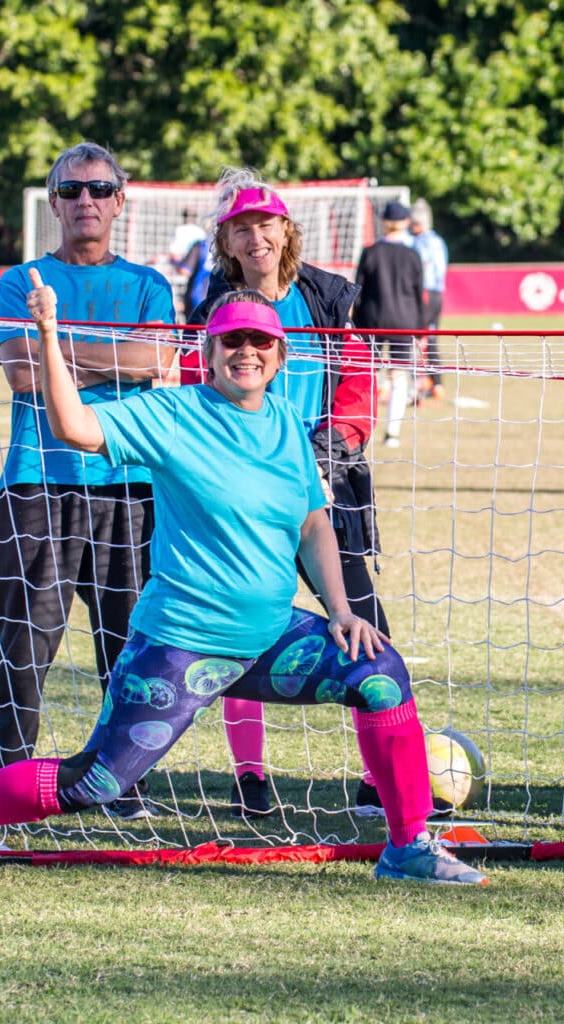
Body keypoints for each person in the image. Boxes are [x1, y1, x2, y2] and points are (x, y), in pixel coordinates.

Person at [0, 283, 487, 887]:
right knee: (96, 782)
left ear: (279, 354)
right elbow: (76, 428)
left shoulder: (282, 420)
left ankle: (407, 846)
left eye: (259, 341)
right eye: (232, 340)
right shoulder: (173, 413)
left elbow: (312, 523)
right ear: (209, 347)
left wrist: (343, 610)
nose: (245, 351)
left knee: (380, 674)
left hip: (271, 638)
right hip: (180, 647)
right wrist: (46, 336)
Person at [188, 168, 391, 816]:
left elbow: (358, 382)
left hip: (325, 489)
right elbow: (200, 395)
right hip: (245, 497)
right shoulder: (212, 313)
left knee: (362, 622)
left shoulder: (328, 298)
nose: (256, 239)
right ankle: (251, 777)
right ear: (227, 242)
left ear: (286, 230)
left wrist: (336, 443)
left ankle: (377, 774)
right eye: (241, 229)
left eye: (265, 225)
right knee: (243, 629)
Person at [0, 142, 176, 820]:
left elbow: (156, 358)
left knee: (130, 646)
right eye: (71, 191)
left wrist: (58, 348)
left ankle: (121, 786)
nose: (85, 201)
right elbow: (20, 371)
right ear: (54, 202)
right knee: (24, 644)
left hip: (127, 487)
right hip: (38, 484)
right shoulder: (23, 279)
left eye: (98, 189)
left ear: (119, 201)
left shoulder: (149, 284)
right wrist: (113, 361)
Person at [356, 200, 426, 448]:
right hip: (404, 322)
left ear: (384, 222)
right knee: (398, 376)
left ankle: (364, 427)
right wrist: (421, 328)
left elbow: (359, 292)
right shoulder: (412, 255)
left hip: (372, 320)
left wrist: (356, 324)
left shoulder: (371, 252)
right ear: (406, 222)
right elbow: (419, 295)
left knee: (368, 376)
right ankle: (392, 432)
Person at [408, 198, 448, 398]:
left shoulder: (421, 243)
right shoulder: (438, 241)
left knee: (420, 338)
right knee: (430, 337)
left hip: (425, 293)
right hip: (436, 294)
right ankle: (437, 383)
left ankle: (422, 382)